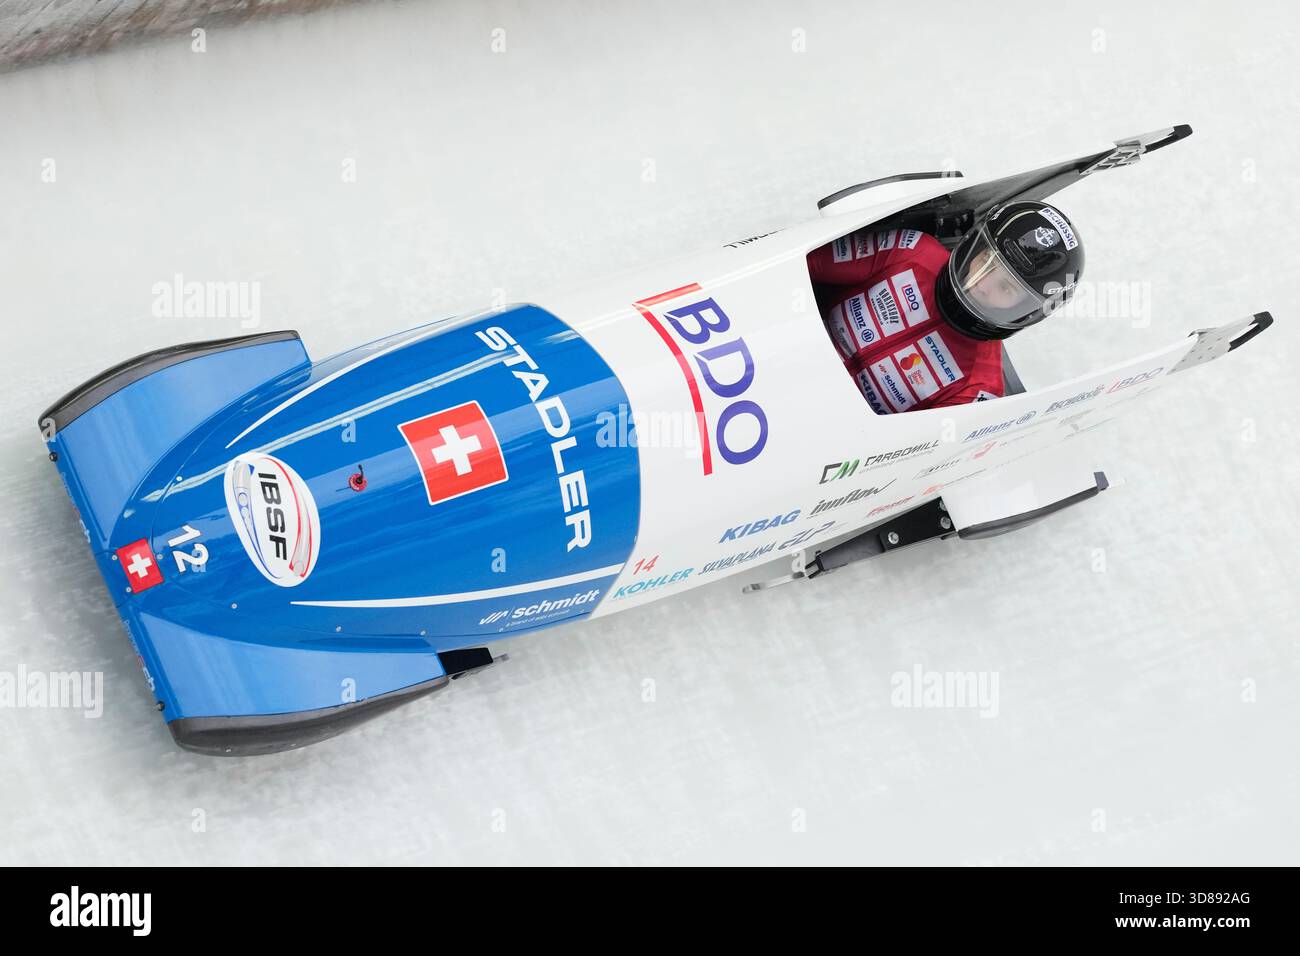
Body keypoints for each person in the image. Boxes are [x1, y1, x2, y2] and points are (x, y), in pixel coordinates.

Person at [808, 201, 1085, 414]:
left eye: (1006, 288)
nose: (982, 284)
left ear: (1026, 309)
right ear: (974, 247)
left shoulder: (980, 386)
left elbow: (904, 452)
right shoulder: (913, 251)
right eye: (987, 262)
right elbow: (808, 265)